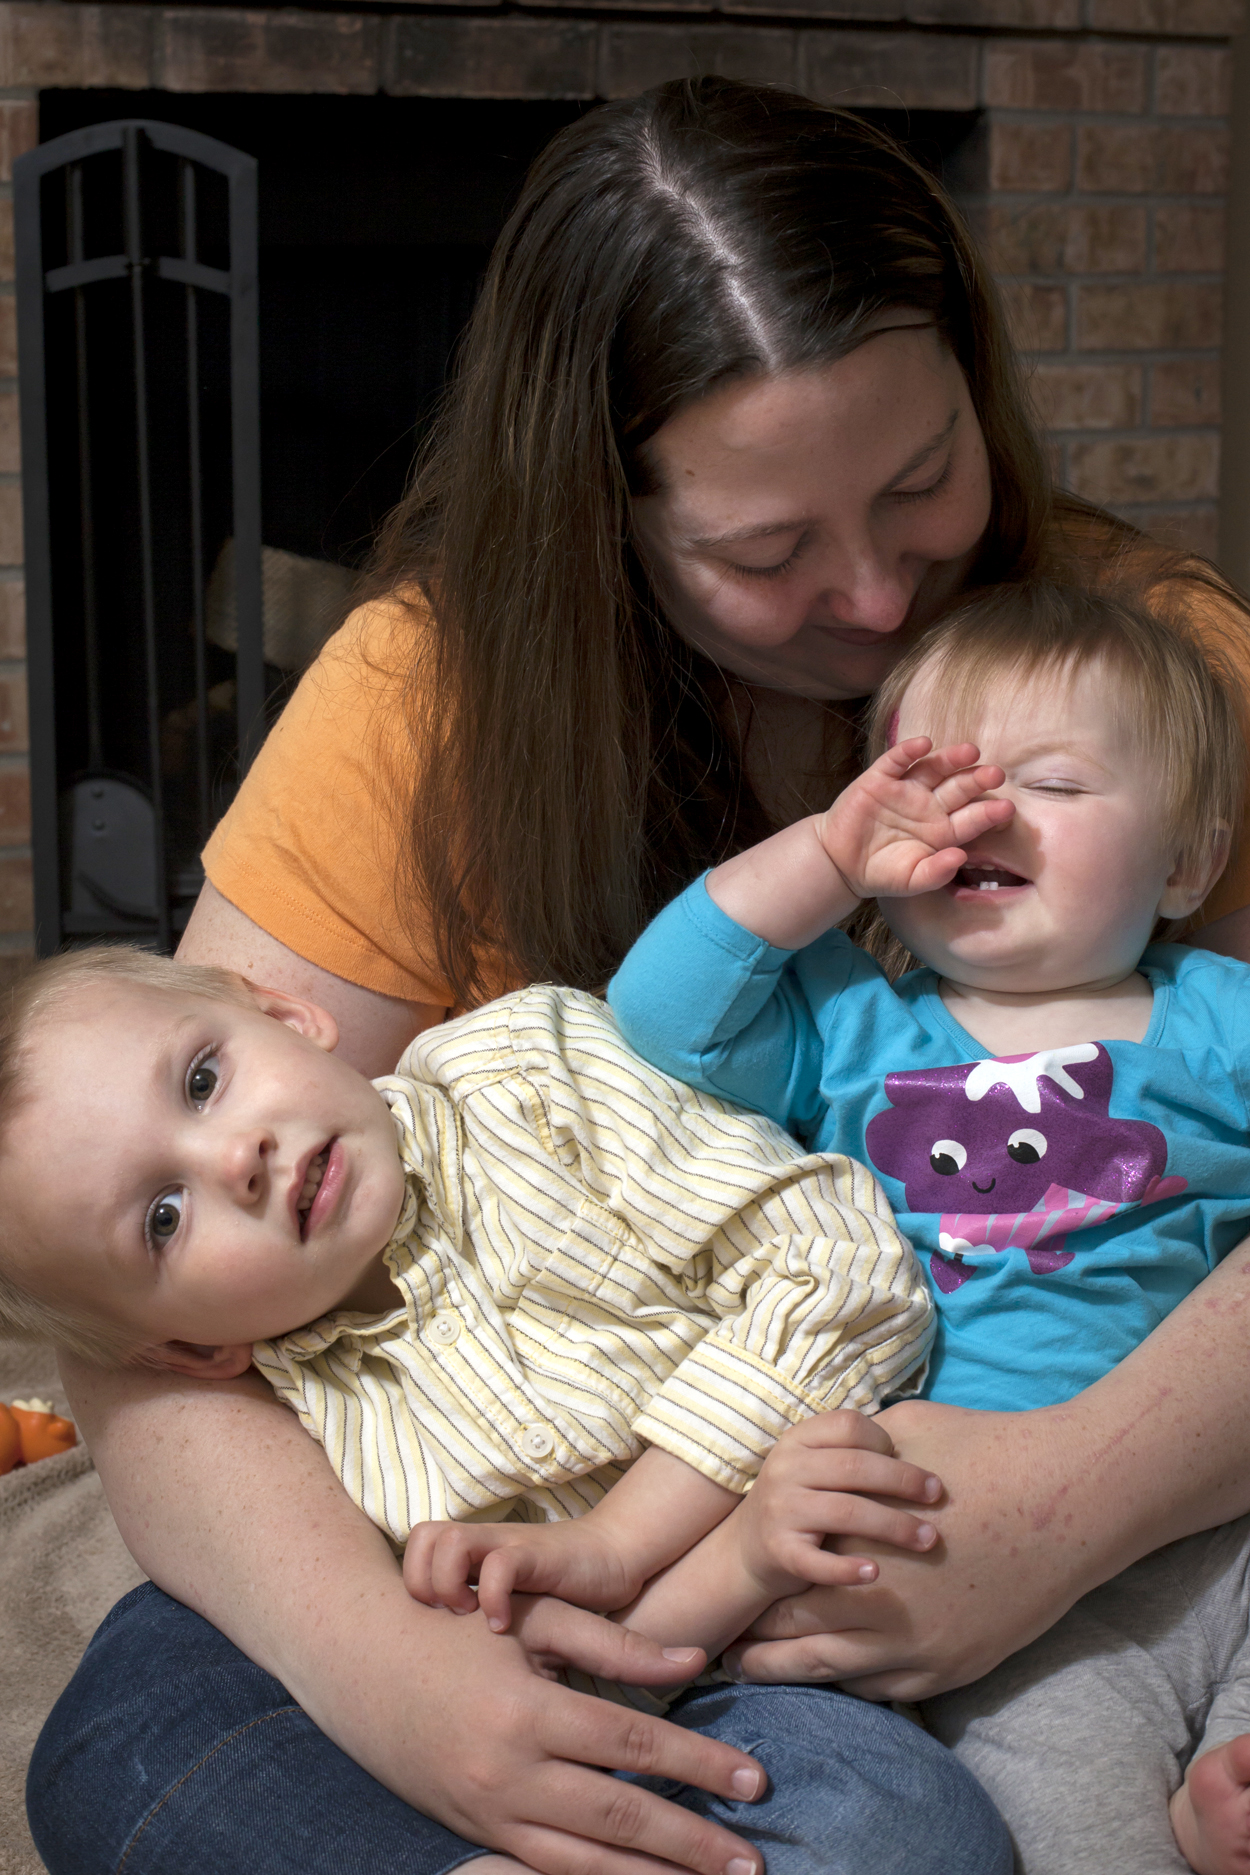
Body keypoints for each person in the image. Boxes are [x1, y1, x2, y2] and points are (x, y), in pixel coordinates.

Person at [27, 72, 1250, 1875]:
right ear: (604, 519)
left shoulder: (1131, 675)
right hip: (451, 1537)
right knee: (130, 1738)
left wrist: (1060, 1514)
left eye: (923, 482)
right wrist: (397, 1687)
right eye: (765, 551)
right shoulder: (420, 698)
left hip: (837, 1569)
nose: (877, 597)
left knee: (901, 1831)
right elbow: (142, 1329)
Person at [9, 948, 1013, 1873]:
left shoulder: (529, 1073)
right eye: (162, 1218)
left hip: (784, 1673)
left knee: (901, 1825)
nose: (236, 1159)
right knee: (124, 1752)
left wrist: (663, 1544)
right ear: (191, 1349)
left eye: (201, 1082)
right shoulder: (289, 1425)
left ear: (282, 1011)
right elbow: (521, 1706)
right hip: (591, 1722)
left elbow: (842, 1271)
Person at [608, 576, 1250, 1875]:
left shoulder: (1221, 1016)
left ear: (1185, 859)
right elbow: (660, 1008)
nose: (986, 811)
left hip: (1224, 1502)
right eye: (932, 784)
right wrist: (826, 858)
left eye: (1054, 784)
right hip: (992, 1576)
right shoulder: (856, 1032)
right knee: (1062, 1816)